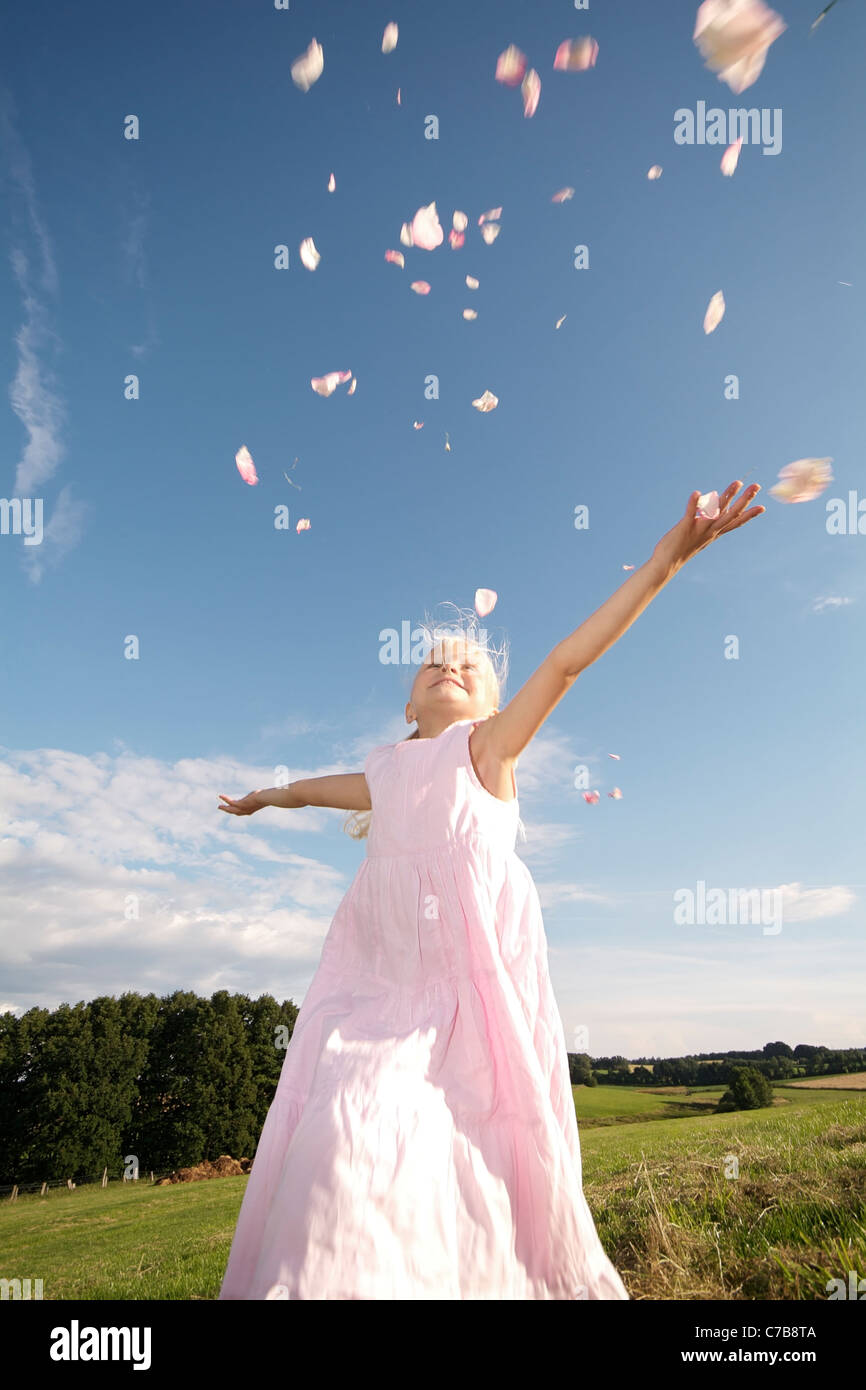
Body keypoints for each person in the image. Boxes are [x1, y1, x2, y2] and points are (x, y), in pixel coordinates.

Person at [216, 481, 764, 1300]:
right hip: (374, 998)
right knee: (337, 1138)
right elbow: (310, 790)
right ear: (408, 703)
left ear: (496, 704)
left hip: (470, 1008)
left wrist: (666, 559)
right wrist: (264, 797)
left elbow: (570, 660)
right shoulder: (385, 770)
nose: (448, 666)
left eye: (467, 665)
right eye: (432, 661)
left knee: (460, 1155)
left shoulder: (488, 752)